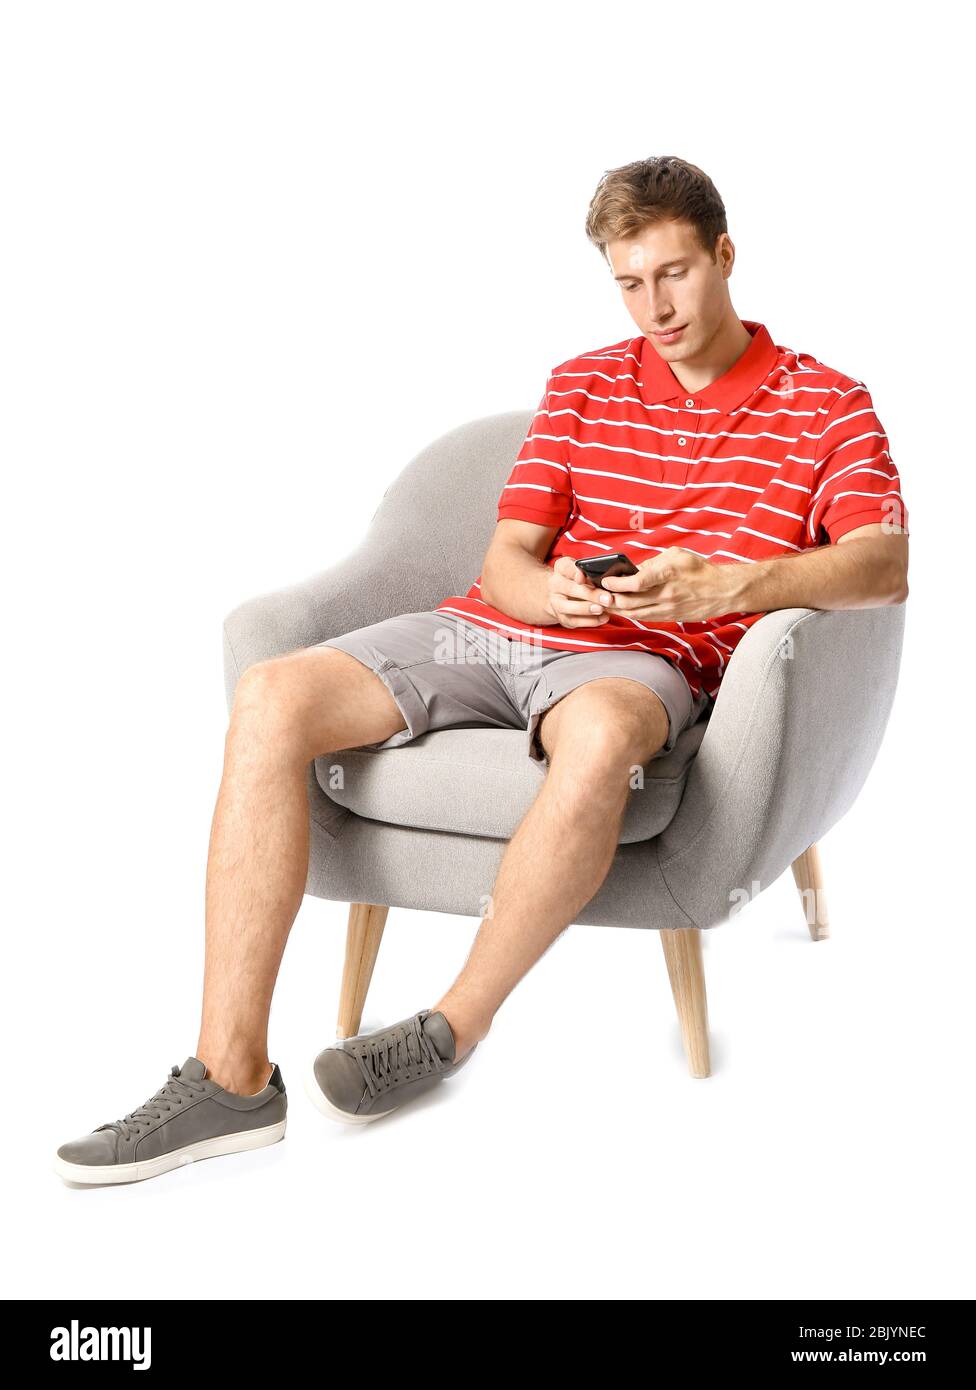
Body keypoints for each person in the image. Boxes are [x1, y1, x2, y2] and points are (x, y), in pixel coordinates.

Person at [55, 154, 909, 1184]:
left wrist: (721, 587)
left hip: (645, 660)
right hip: (490, 636)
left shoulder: (825, 403)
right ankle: (230, 1078)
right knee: (271, 693)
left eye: (674, 274)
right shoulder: (585, 381)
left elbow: (884, 566)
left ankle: (449, 1028)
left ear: (724, 255)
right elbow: (507, 559)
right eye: (629, 284)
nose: (655, 307)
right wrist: (547, 591)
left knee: (601, 737)